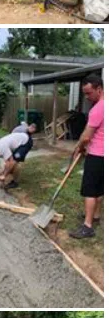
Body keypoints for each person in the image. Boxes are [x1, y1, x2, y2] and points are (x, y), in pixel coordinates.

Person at [69, 74, 104, 240]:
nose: (87, 97)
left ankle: (88, 226)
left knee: (90, 190)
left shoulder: (98, 109)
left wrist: (79, 148)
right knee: (99, 188)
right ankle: (96, 216)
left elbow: (85, 137)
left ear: (99, 89)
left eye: (89, 93)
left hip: (97, 155)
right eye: (85, 94)